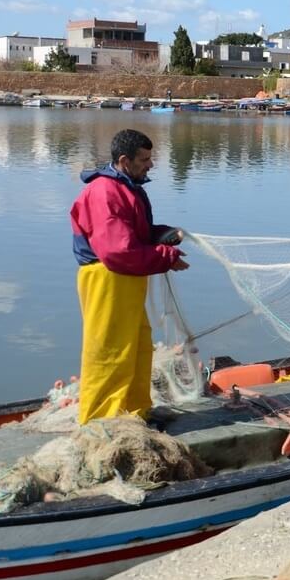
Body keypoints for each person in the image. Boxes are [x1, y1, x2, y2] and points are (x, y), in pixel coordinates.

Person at [70, 129, 189, 424]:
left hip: (126, 279)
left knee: (137, 346)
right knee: (110, 351)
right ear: (125, 160)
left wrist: (163, 235)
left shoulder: (128, 188)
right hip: (107, 277)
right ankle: (101, 423)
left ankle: (134, 414)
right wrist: (166, 257)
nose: (150, 165)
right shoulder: (105, 192)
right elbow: (118, 251)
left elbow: (134, 235)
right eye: (145, 159)